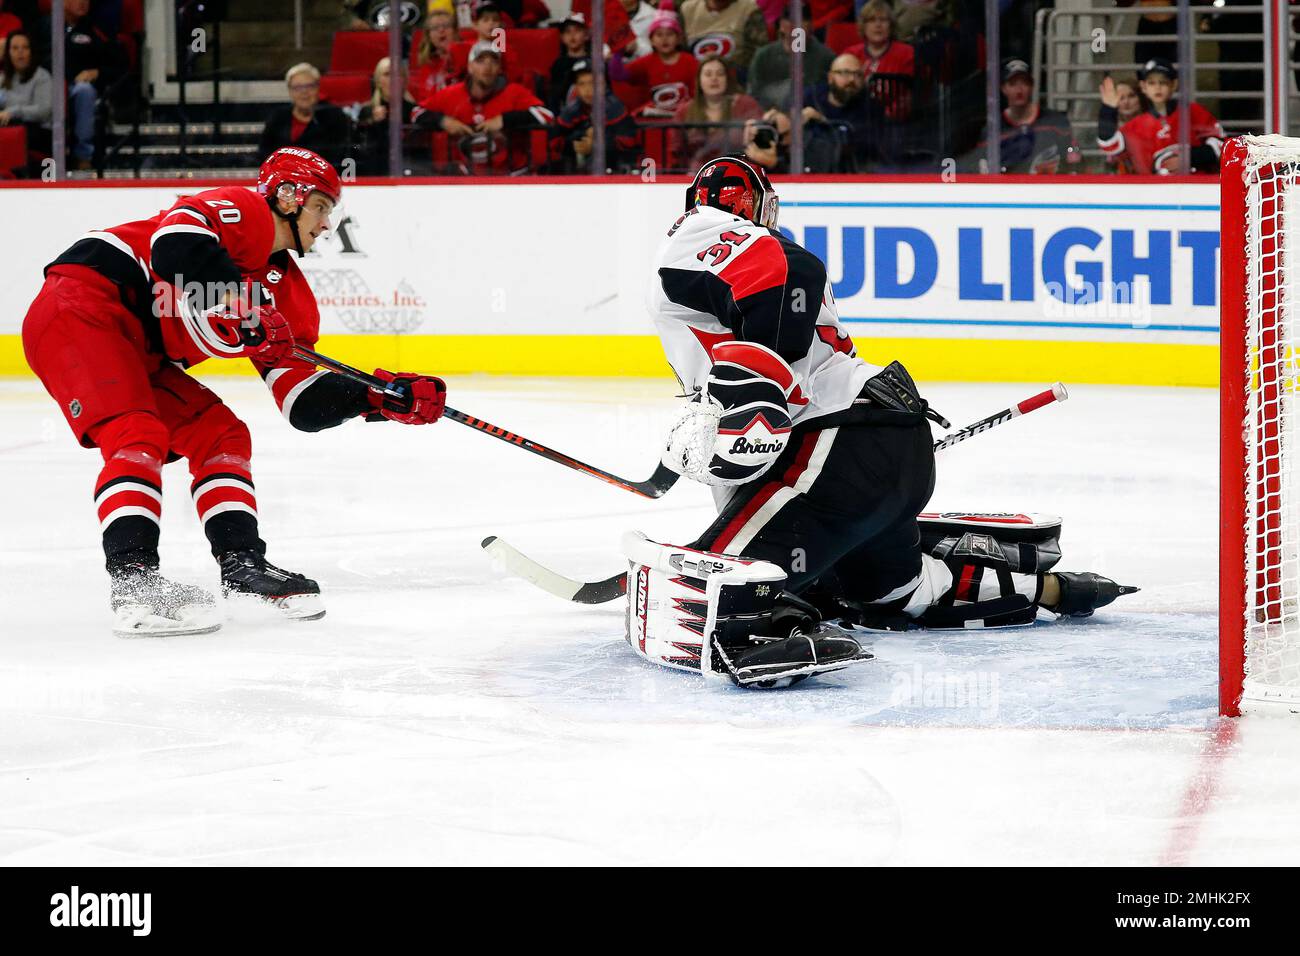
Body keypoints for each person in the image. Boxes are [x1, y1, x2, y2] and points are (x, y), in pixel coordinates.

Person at [626, 155, 1135, 686]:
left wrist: (759, 401)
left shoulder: (699, 230)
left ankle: (775, 618)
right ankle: (1054, 591)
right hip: (884, 453)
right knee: (889, 594)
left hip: (839, 448)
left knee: (721, 597)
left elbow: (789, 271)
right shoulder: (743, 272)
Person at [20, 147, 447, 637]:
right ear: (288, 196)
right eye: (322, 206)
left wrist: (375, 397)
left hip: (140, 350)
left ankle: (243, 568)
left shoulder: (287, 292)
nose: (327, 224)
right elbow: (174, 246)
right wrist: (236, 304)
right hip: (82, 306)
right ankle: (134, 582)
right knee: (137, 433)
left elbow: (302, 401)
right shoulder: (243, 212)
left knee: (222, 435)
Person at [413, 41, 554, 174]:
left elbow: (546, 114)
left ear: (499, 69)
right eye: (480, 61)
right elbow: (416, 112)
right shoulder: (451, 93)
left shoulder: (514, 92)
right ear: (470, 67)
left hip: (512, 177)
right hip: (466, 178)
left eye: (493, 61)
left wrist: (504, 120)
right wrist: (444, 121)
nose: (487, 67)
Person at [1097, 58, 1224, 175]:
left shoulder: (1193, 112)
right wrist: (1108, 111)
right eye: (1151, 83)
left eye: (1163, 82)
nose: (1157, 87)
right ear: (1143, 87)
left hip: (1196, 189)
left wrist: (1190, 158)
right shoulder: (1136, 125)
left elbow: (1221, 144)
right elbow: (1109, 146)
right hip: (1154, 194)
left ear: (1174, 84)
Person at [670, 55, 765, 171]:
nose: (714, 78)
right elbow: (675, 152)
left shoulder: (745, 104)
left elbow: (761, 137)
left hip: (739, 173)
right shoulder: (684, 111)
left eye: (720, 74)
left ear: (727, 79)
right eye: (708, 74)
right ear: (699, 80)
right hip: (696, 176)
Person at [989, 58, 1081, 175]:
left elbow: (1075, 167)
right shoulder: (993, 129)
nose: (1019, 90)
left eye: (1024, 83)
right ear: (1003, 89)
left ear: (1032, 86)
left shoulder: (1056, 123)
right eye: (1013, 84)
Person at [258, 63, 353, 171]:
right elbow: (264, 154)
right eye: (298, 87)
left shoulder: (335, 117)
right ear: (290, 91)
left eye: (309, 86)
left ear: (318, 88)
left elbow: (341, 156)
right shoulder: (278, 118)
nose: (304, 92)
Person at [552, 59, 640, 172]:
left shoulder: (615, 108)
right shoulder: (571, 110)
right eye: (581, 84)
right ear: (576, 88)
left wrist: (596, 144)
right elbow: (553, 141)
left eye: (592, 83)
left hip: (615, 171)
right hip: (576, 174)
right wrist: (576, 142)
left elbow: (628, 143)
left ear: (603, 84)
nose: (587, 90)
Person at [746, 9, 835, 111]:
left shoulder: (826, 58)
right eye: (784, 35)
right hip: (770, 118)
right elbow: (753, 96)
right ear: (779, 30)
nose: (790, 41)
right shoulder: (763, 56)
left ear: (810, 29)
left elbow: (832, 99)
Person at [799, 53, 873, 172]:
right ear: (830, 77)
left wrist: (823, 121)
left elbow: (859, 145)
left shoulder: (869, 106)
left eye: (857, 75)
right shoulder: (810, 97)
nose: (852, 80)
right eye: (845, 73)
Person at [617, 9, 697, 117]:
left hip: (685, 117)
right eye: (659, 35)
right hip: (655, 117)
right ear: (652, 41)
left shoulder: (690, 61)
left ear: (678, 39)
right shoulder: (646, 61)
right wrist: (618, 51)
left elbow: (697, 95)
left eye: (669, 34)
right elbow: (618, 74)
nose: (664, 39)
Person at [356, 57, 417, 174]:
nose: (393, 79)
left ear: (404, 80)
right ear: (378, 80)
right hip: (373, 172)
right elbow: (357, 148)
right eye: (387, 74)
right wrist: (372, 122)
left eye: (398, 74)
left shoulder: (414, 111)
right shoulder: (367, 111)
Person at [0, 28, 52, 162]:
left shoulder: (42, 76)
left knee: (12, 135)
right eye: (15, 48)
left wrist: (12, 112)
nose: (20, 52)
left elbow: (43, 111)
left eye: (25, 47)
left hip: (39, 131)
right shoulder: (3, 78)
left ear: (31, 52)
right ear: (8, 53)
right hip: (10, 128)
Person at [679, 0, 768, 78]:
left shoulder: (748, 9)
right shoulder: (688, 9)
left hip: (735, 78)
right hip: (695, 78)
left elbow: (759, 56)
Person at [410, 9, 460, 102]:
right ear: (429, 35)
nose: (441, 30)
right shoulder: (426, 63)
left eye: (446, 26)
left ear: (455, 31)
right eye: (435, 27)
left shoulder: (466, 58)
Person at [548, 11, 592, 111]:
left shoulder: (594, 62)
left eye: (577, 31)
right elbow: (554, 96)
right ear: (562, 38)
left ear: (586, 35)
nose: (572, 36)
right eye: (567, 32)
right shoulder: (559, 65)